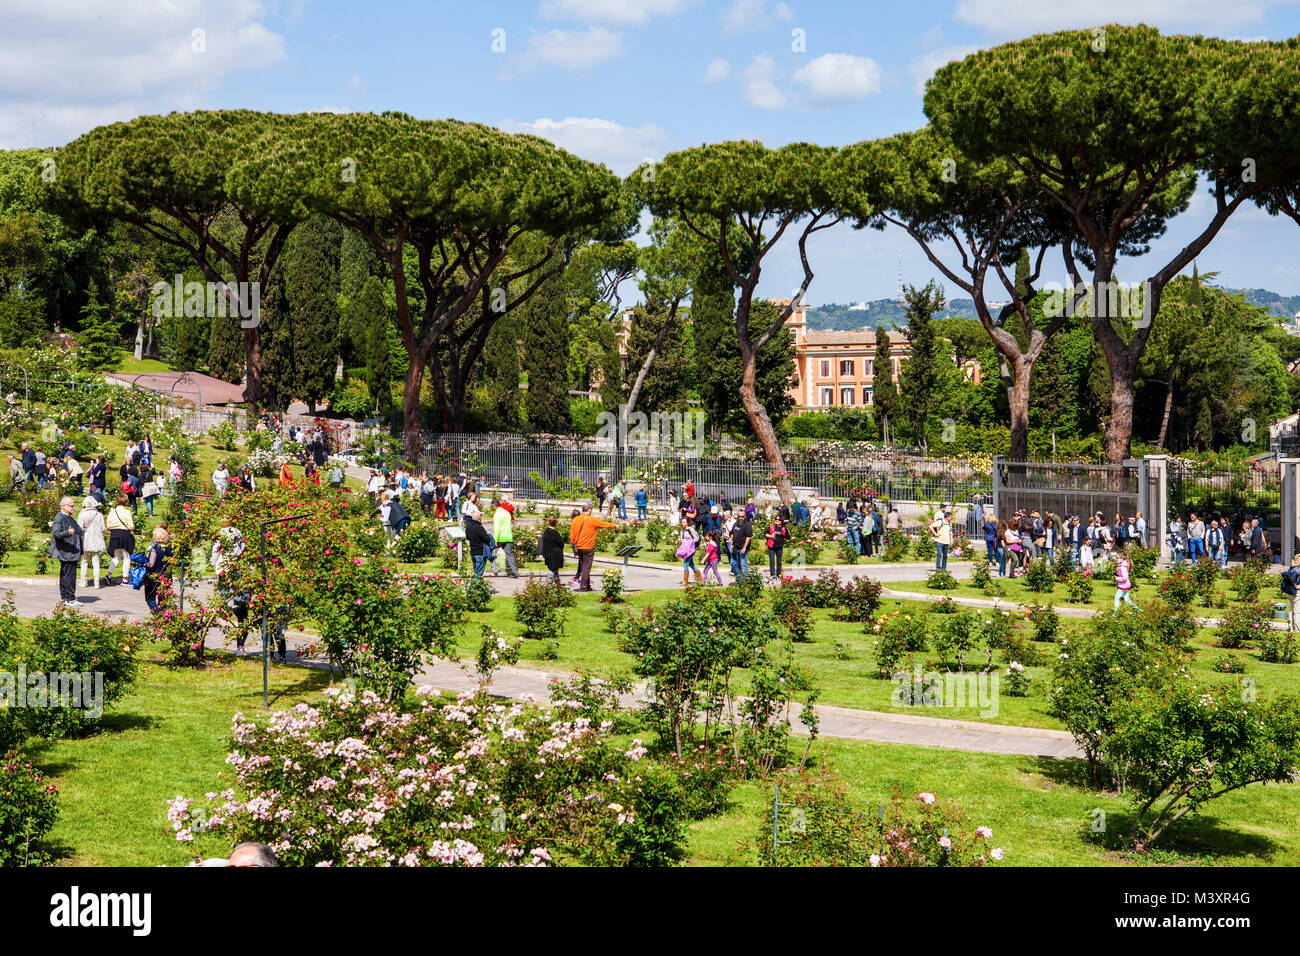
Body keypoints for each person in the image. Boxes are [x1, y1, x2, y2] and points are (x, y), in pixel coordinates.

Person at [570, 504, 617, 592]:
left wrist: (574, 547)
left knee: (584, 565)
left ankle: (587, 586)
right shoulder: (592, 519)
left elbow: (572, 536)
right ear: (589, 510)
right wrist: (613, 525)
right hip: (588, 547)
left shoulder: (575, 519)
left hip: (578, 547)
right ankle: (583, 587)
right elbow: (604, 524)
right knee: (586, 567)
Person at [50, 496, 84, 607]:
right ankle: (70, 598)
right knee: (69, 575)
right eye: (71, 506)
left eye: (74, 505)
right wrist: (67, 532)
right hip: (66, 551)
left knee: (66, 574)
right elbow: (56, 534)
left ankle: (65, 597)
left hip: (71, 550)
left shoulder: (68, 517)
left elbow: (78, 530)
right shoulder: (60, 518)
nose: (73, 508)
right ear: (64, 506)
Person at [104, 495, 136, 585]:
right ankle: (125, 579)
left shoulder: (112, 512)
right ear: (125, 502)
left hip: (114, 535)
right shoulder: (127, 512)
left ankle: (109, 574)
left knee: (116, 557)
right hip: (124, 535)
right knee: (126, 558)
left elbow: (108, 526)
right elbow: (131, 526)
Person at [77, 495, 106, 589]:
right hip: (97, 539)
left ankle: (83, 581)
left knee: (84, 561)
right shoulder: (99, 515)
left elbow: (79, 528)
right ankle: (97, 583)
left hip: (86, 539)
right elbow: (103, 528)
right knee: (96, 561)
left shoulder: (82, 514)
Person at [143, 526, 170, 614]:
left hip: (154, 577)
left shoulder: (154, 549)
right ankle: (165, 617)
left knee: (150, 598)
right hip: (166, 577)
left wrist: (141, 563)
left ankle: (158, 616)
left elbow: (151, 565)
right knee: (163, 599)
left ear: (155, 537)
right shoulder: (170, 549)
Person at [493, 498, 519, 578]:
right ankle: (514, 571)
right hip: (508, 536)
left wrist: (495, 539)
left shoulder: (497, 514)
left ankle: (495, 569)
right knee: (509, 554)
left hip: (500, 537)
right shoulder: (506, 513)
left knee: (493, 553)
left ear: (494, 506)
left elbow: (497, 527)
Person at [464, 510, 492, 579]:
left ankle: (478, 588)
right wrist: (487, 534)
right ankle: (472, 588)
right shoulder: (480, 528)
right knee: (478, 574)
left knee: (476, 571)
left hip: (473, 552)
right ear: (479, 518)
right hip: (480, 552)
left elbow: (468, 538)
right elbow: (487, 539)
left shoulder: (468, 527)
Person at [677, 517, 702, 587]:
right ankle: (700, 578)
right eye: (682, 522)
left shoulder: (690, 529)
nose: (682, 523)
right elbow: (682, 539)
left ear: (687, 523)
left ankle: (685, 581)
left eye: (684, 522)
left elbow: (696, 539)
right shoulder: (682, 530)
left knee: (686, 563)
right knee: (691, 565)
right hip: (686, 550)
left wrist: (689, 542)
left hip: (691, 549)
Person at [541, 516, 565, 581]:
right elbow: (561, 543)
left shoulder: (546, 531)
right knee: (552, 569)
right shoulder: (555, 533)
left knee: (554, 569)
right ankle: (550, 582)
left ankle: (557, 582)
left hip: (547, 552)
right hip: (555, 554)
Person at [730, 514, 752, 579]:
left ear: (745, 517)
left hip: (743, 548)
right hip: (735, 547)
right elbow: (732, 533)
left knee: (743, 565)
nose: (741, 518)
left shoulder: (747, 525)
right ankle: (739, 578)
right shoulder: (735, 524)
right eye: (739, 516)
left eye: (742, 517)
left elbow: (748, 537)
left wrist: (744, 547)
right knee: (733, 563)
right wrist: (731, 544)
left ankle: (745, 581)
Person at [1281, 553, 1300, 632]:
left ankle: (1292, 628)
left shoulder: (1291, 568)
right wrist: (1296, 585)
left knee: (1292, 610)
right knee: (1297, 612)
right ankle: (1297, 630)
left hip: (1290, 592)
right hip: (1297, 592)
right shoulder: (1297, 569)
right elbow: (1294, 579)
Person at [766, 516, 787, 580]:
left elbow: (787, 536)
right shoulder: (771, 527)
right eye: (776, 519)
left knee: (779, 561)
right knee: (772, 560)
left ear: (781, 521)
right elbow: (766, 534)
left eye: (779, 520)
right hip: (771, 546)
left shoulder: (784, 528)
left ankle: (778, 574)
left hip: (779, 546)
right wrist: (771, 536)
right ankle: (772, 574)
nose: (777, 521)